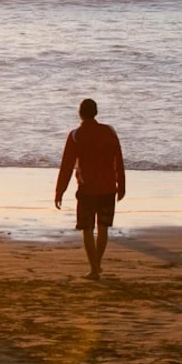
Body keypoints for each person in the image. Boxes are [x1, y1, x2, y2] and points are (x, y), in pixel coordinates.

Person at [55, 98, 125, 280]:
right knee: (103, 228)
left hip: (87, 190)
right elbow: (118, 159)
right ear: (96, 112)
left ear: (80, 113)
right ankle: (97, 265)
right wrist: (121, 185)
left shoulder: (76, 135)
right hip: (108, 188)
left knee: (87, 229)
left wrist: (59, 190)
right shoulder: (109, 132)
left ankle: (94, 269)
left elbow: (67, 166)